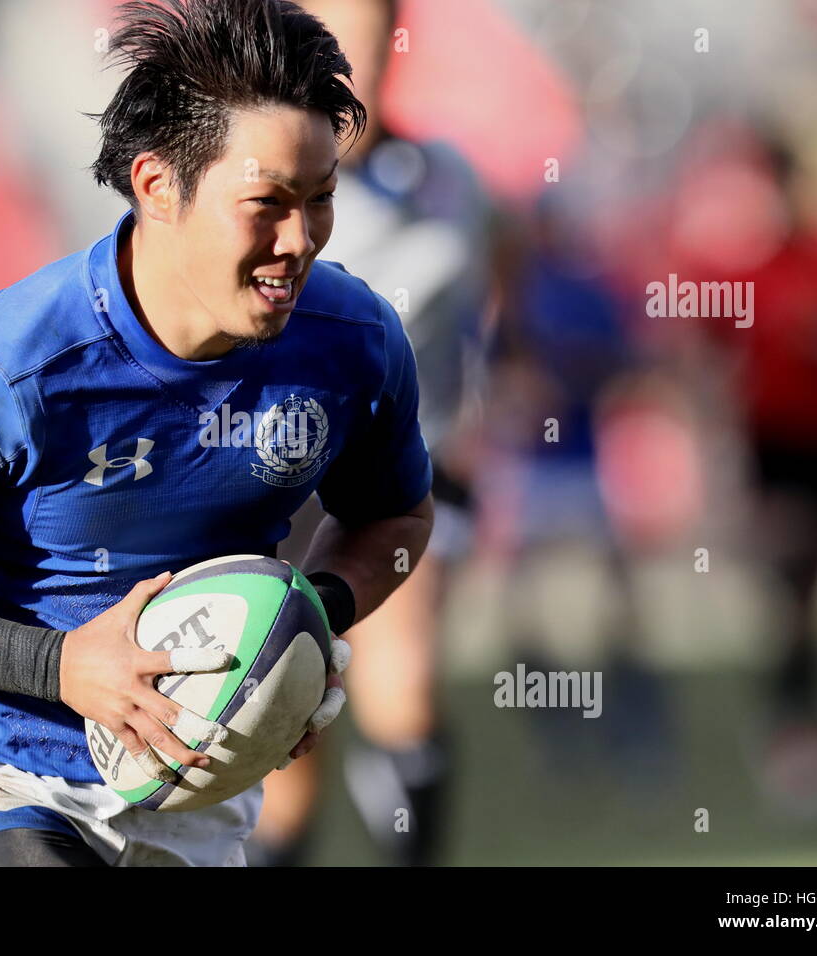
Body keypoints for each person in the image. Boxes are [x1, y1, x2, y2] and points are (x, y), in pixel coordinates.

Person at [0, 0, 434, 867]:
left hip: (190, 795)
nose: (300, 241)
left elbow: (396, 517)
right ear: (157, 185)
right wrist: (60, 667)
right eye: (267, 203)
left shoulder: (355, 342)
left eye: (320, 200)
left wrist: (306, 629)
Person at [254, 0, 491, 867]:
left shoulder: (449, 179)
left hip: (405, 480)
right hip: (281, 485)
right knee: (278, 732)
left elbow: (498, 285)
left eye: (371, 30)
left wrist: (481, 410)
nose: (356, 57)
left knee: (404, 692)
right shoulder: (255, 179)